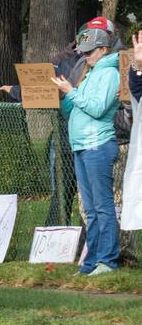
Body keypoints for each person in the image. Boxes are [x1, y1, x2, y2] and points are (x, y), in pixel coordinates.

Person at [54, 23, 121, 275]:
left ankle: (107, 261)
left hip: (98, 145)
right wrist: (61, 97)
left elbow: (96, 108)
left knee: (102, 207)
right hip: (81, 146)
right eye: (82, 52)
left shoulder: (109, 74)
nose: (84, 55)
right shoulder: (90, 72)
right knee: (90, 211)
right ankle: (91, 261)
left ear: (103, 49)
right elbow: (74, 109)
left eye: (89, 51)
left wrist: (71, 91)